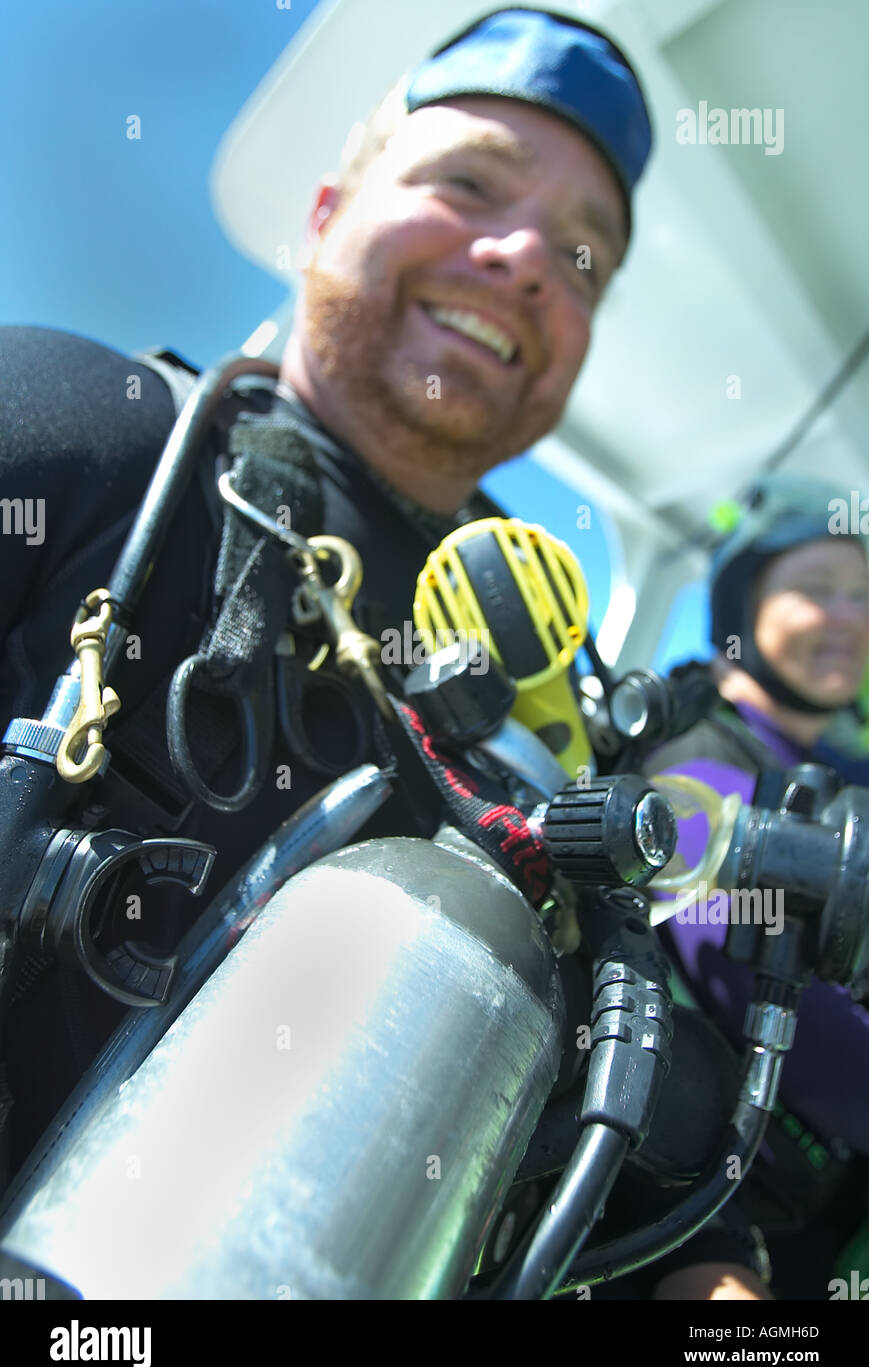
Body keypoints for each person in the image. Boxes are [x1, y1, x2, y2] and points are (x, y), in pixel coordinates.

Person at [0, 7, 766, 1299]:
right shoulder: (74, 440)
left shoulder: (567, 716)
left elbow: (650, 1191)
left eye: (583, 256)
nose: (528, 256)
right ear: (323, 214)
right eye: (466, 183)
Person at [644, 475, 869, 1299]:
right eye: (817, 591)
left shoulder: (833, 770)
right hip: (740, 1227)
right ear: (742, 611)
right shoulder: (691, 773)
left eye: (863, 596)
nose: (850, 618)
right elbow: (836, 1062)